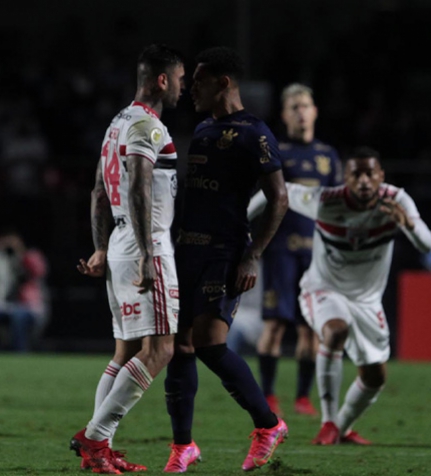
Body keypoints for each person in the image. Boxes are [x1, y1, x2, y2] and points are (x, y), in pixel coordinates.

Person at [248, 146, 431, 445]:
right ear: (344, 178)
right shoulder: (324, 201)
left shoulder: (396, 200)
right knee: (335, 331)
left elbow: (427, 245)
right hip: (323, 288)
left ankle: (341, 428)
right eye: (355, 174)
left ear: (380, 176)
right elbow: (274, 191)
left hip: (367, 300)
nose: (363, 181)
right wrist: (243, 226)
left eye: (369, 174)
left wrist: (408, 225)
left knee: (375, 377)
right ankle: (328, 422)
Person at [164, 46, 289, 473]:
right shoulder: (200, 130)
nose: (190, 88)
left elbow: (279, 199)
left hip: (225, 252)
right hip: (187, 250)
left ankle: (268, 425)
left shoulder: (255, 133)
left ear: (223, 82)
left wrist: (252, 256)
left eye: (198, 80)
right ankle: (183, 446)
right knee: (178, 346)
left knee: (210, 346)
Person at [69, 43, 186, 474]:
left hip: (119, 242)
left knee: (126, 351)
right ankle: (95, 439)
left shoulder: (117, 122)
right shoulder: (147, 126)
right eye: (179, 79)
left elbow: (100, 189)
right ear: (161, 80)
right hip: (145, 244)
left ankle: (99, 451)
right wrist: (147, 252)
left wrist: (101, 247)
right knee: (161, 350)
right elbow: (136, 184)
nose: (181, 87)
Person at [255, 83, 343, 418]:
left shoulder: (327, 156)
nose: (301, 112)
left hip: (316, 255)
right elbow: (261, 200)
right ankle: (268, 395)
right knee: (275, 325)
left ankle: (303, 397)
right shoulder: (275, 152)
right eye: (294, 107)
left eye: (305, 105)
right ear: (284, 114)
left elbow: (337, 206)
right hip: (280, 251)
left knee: (311, 329)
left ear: (315, 111)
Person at [0, 229, 48, 352]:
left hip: (29, 307)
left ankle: (19, 353)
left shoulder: (32, 256)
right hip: (4, 306)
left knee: (19, 316)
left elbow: (38, 272)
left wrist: (19, 252)